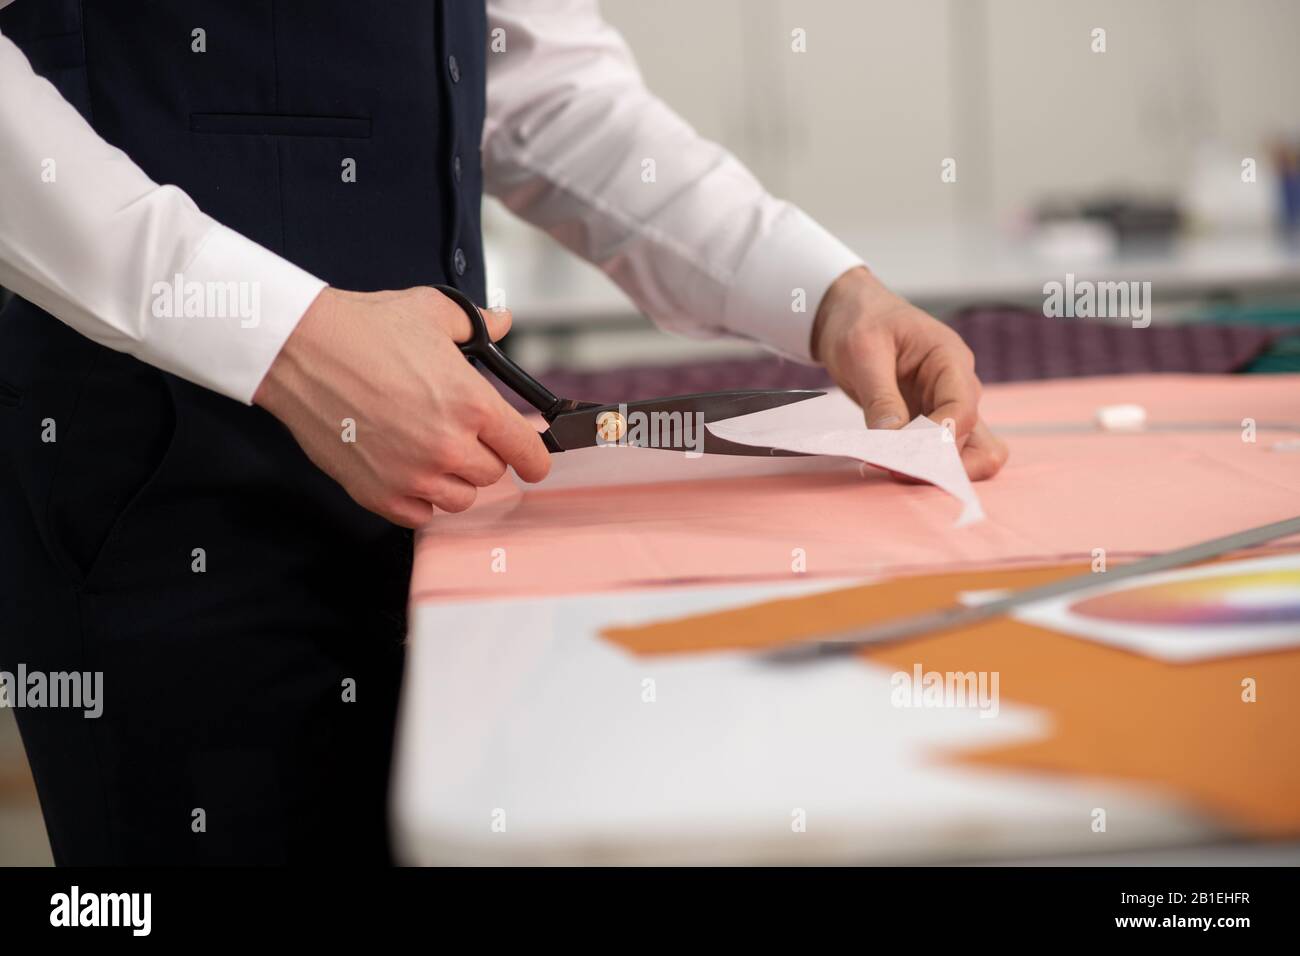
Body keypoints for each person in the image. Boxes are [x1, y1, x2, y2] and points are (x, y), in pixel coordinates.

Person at [0, 0, 1007, 864]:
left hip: (445, 512)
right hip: (164, 494)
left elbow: (545, 88)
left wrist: (826, 295)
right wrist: (282, 338)